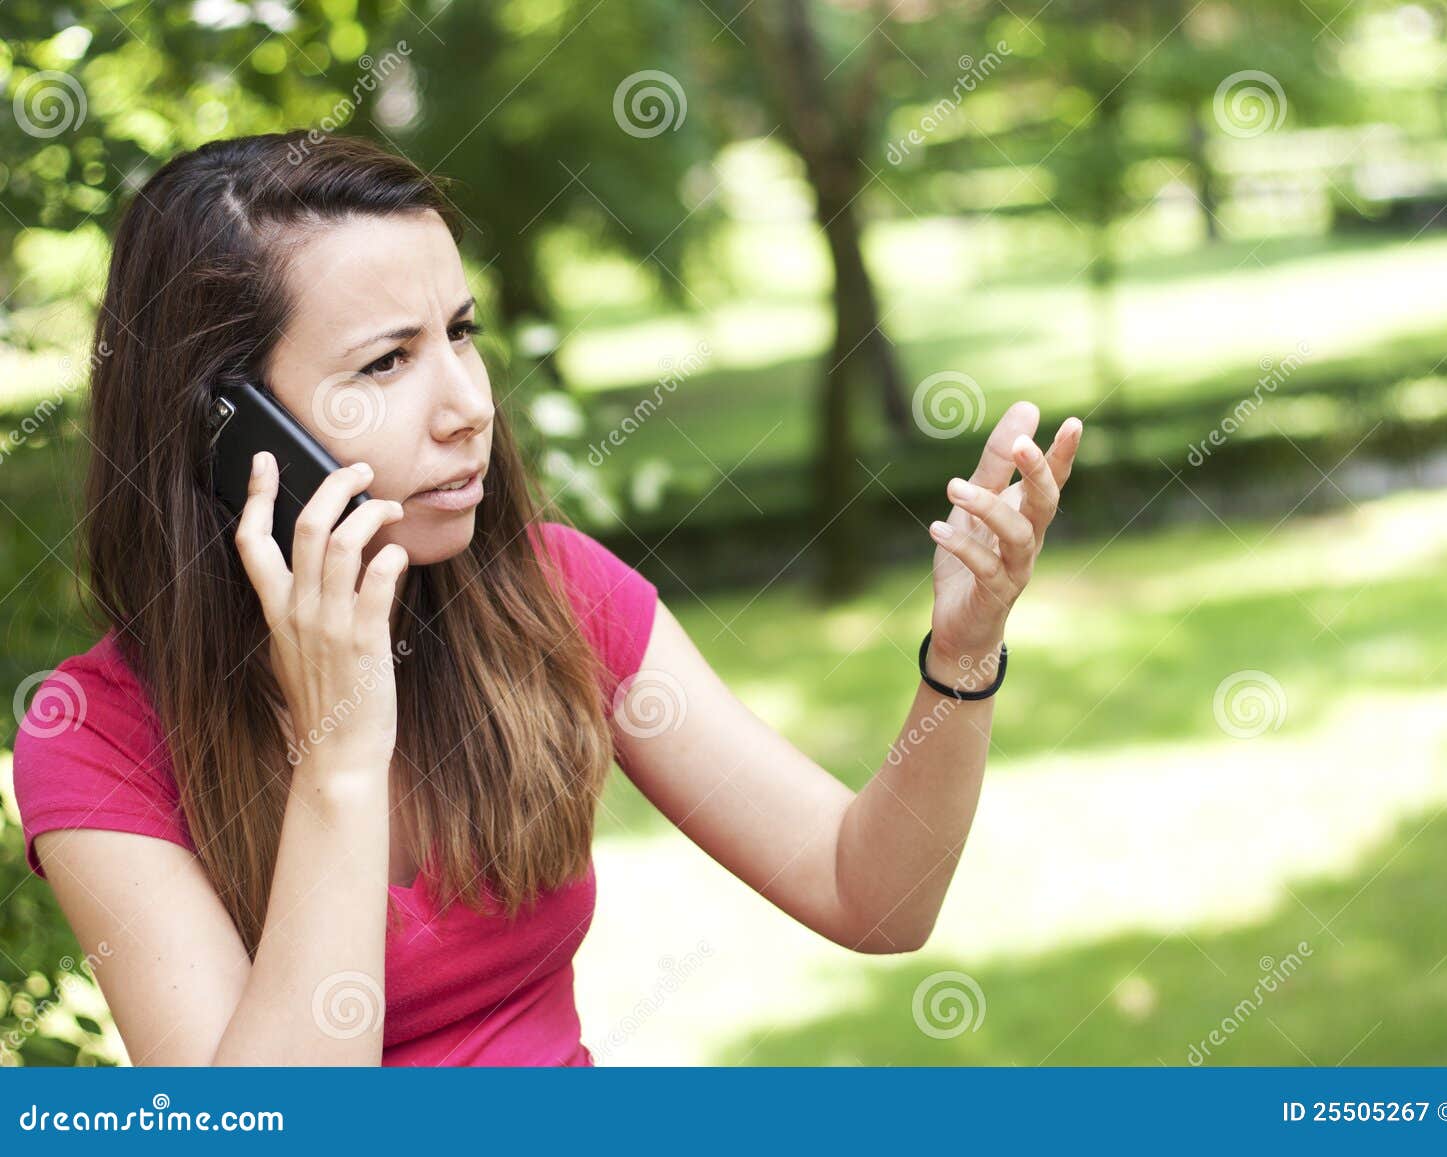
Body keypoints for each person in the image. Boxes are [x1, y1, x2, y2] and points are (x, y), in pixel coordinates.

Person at [10, 131, 1084, 1066]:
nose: (468, 406)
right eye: (386, 362)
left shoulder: (552, 594)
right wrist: (340, 751)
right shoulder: (94, 736)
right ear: (225, 431)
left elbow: (874, 897)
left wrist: (963, 649)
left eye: (461, 334)